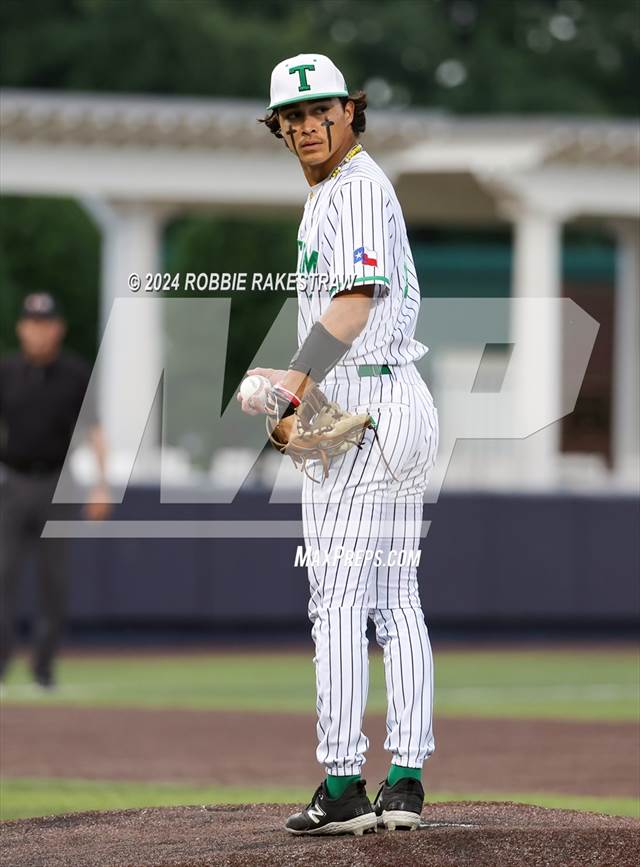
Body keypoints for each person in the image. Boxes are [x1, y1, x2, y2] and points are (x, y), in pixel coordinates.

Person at [239, 53, 439, 836]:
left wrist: (291, 386)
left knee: (339, 601)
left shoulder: (354, 188)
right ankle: (408, 780)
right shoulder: (334, 191)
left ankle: (344, 782)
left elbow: (356, 303)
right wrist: (304, 396)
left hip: (372, 402)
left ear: (350, 111)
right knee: (394, 599)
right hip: (385, 400)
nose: (307, 126)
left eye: (321, 110)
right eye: (291, 118)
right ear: (279, 130)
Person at [0, 292, 110, 689]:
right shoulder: (7, 371)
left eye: (45, 323)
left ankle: (43, 669)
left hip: (57, 484)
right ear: (21, 327)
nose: (38, 330)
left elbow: (95, 428)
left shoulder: (75, 374)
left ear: (58, 328)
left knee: (54, 583)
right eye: (31, 322)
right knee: (3, 577)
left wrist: (101, 484)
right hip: (11, 484)